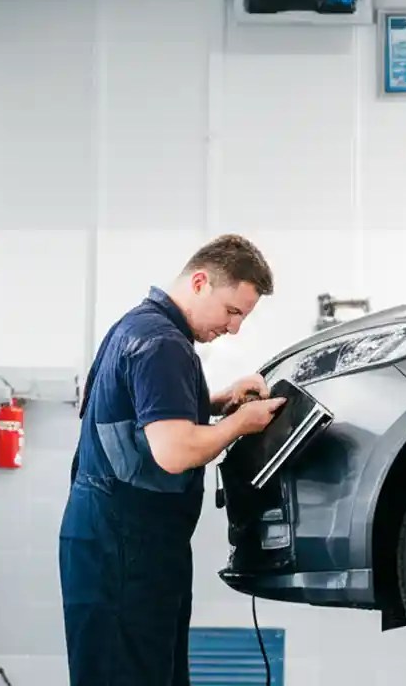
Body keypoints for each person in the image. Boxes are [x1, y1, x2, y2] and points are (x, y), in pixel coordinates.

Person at [59, 234, 285, 686]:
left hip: (118, 543)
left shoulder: (137, 327)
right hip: (126, 550)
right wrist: (243, 424)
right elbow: (174, 450)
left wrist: (220, 403)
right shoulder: (162, 344)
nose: (234, 327)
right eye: (232, 311)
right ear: (200, 281)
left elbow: (142, 426)